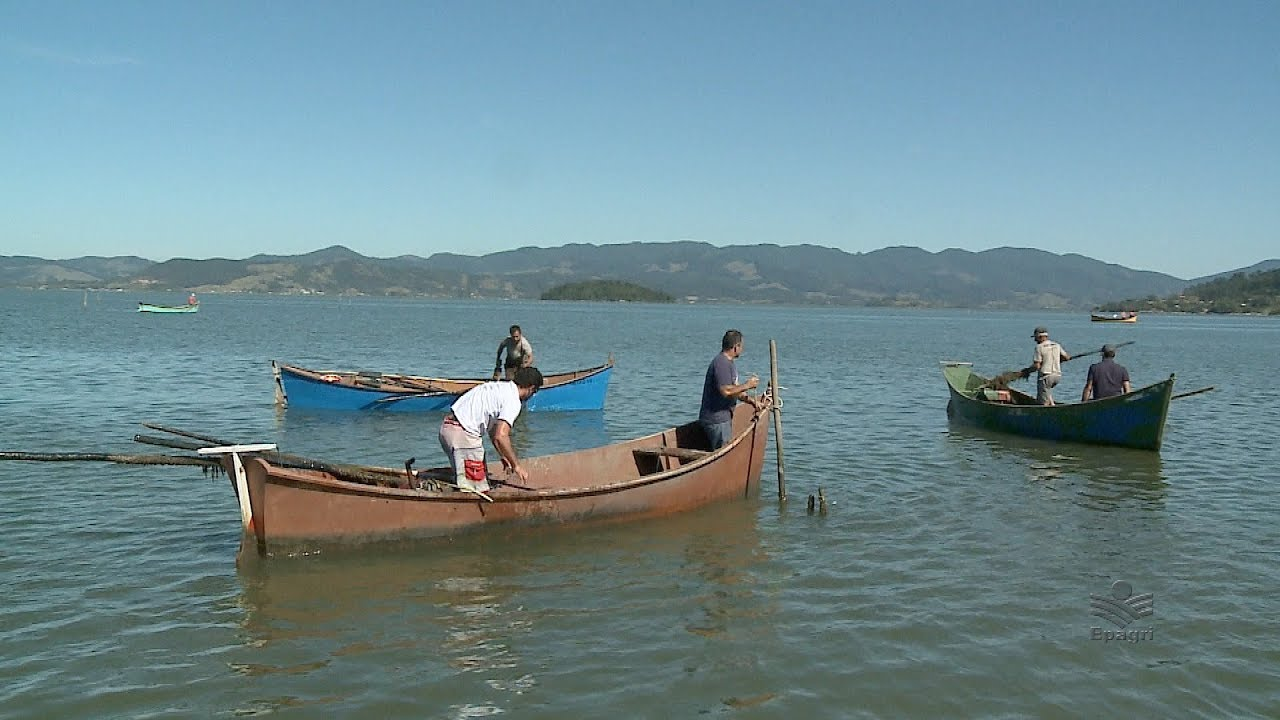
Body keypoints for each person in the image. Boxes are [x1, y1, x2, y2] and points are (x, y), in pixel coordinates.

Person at [439, 367, 544, 493]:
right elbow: (501, 435)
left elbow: (494, 432)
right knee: (478, 491)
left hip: (446, 430)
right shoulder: (513, 400)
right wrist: (516, 466)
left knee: (465, 482)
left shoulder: (497, 387)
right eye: (534, 392)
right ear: (531, 388)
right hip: (464, 437)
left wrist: (502, 455)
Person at [698, 329, 761, 449]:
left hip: (721, 419)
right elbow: (726, 391)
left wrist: (753, 402)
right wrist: (748, 385)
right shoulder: (721, 363)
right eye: (741, 346)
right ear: (736, 347)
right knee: (722, 454)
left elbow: (735, 390)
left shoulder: (729, 363)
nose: (742, 349)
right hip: (717, 421)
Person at [1025, 326, 1070, 405]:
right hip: (1057, 376)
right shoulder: (1056, 345)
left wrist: (1027, 371)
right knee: (1048, 392)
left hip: (1046, 377)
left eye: (1036, 338)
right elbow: (1067, 357)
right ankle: (1052, 405)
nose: (1035, 340)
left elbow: (1037, 366)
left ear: (1040, 337)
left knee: (1042, 402)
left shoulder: (1039, 347)